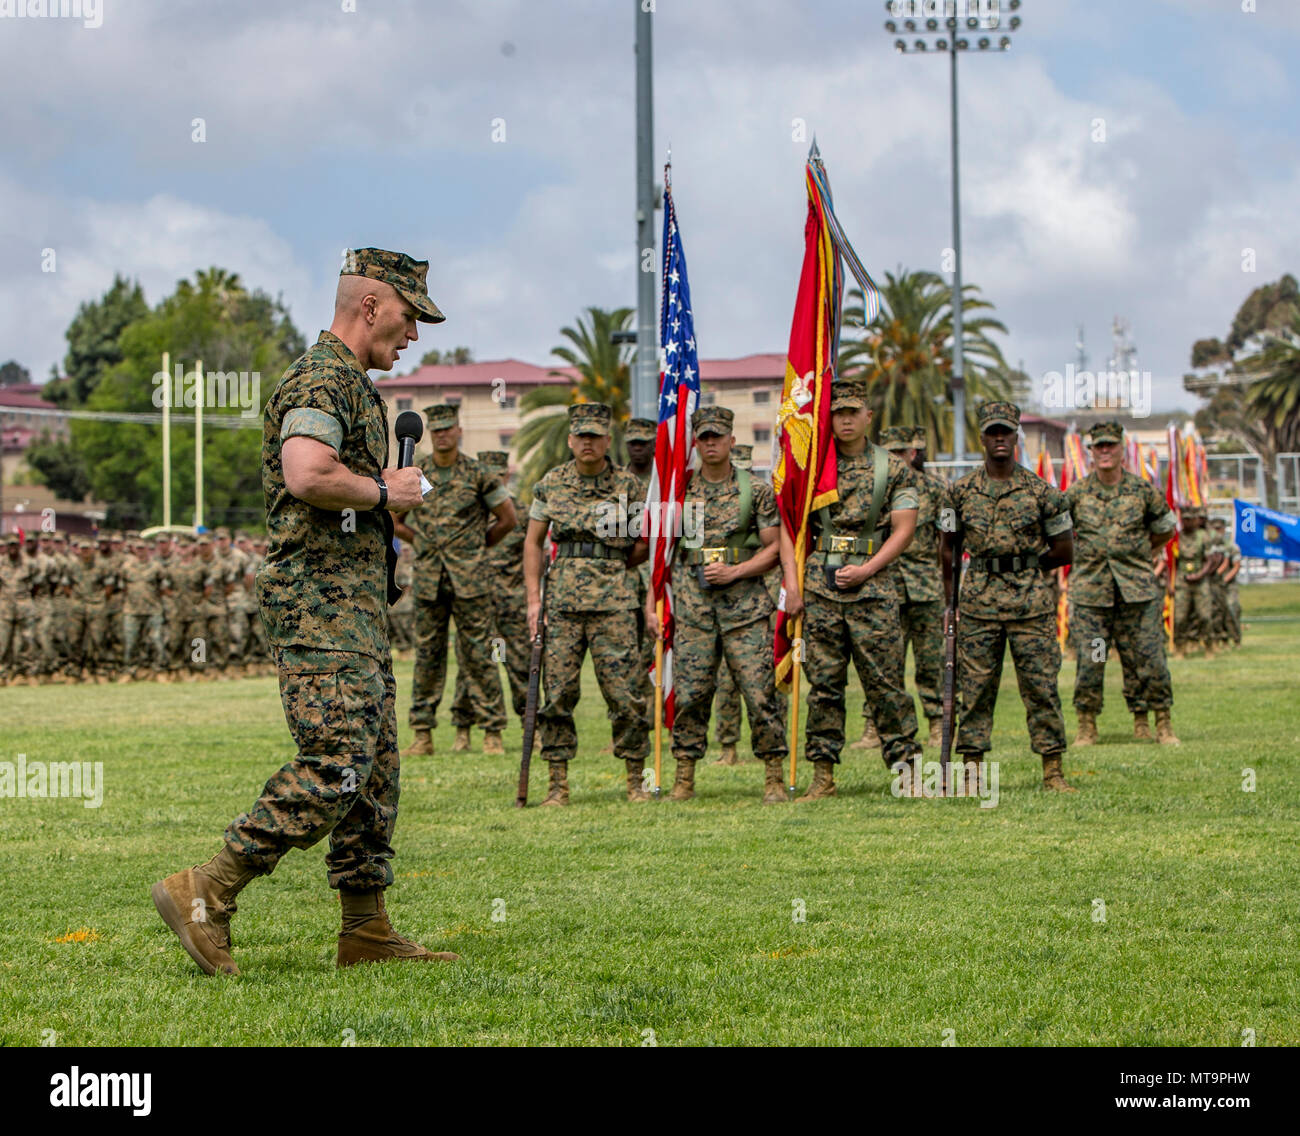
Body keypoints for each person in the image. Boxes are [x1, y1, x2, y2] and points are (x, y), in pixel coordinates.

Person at [152, 246, 459, 974]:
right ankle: (207, 889)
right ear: (372, 304)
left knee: (375, 769)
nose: (412, 335)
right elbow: (308, 473)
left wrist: (385, 507)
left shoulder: (350, 382)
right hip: (319, 607)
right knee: (337, 763)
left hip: (352, 608)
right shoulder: (322, 379)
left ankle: (366, 928)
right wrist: (385, 492)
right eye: (410, 317)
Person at [779, 380, 922, 800]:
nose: (845, 419)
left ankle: (907, 774)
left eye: (853, 412)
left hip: (873, 590)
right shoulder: (811, 469)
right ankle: (822, 775)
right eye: (838, 412)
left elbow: (904, 529)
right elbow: (790, 525)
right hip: (821, 592)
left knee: (887, 685)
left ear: (868, 417)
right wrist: (793, 584)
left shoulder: (892, 468)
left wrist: (868, 569)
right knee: (824, 686)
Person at [645, 407, 788, 804]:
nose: (711, 443)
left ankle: (774, 776)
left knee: (760, 693)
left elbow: (774, 547)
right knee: (691, 694)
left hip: (746, 610)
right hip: (693, 610)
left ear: (731, 442)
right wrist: (650, 604)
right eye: (704, 437)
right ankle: (684, 778)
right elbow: (661, 556)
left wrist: (737, 571)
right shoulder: (679, 491)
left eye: (718, 437)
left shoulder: (754, 491)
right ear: (694, 441)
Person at [941, 402, 1075, 791]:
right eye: (992, 432)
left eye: (1006, 432)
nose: (1000, 438)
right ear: (982, 438)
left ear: (1016, 437)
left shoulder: (1042, 492)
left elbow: (1065, 550)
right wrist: (951, 605)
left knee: (1041, 686)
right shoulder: (959, 492)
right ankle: (971, 771)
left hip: (1029, 604)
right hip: (978, 603)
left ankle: (1052, 770)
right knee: (976, 688)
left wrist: (1024, 566)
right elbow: (947, 550)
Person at [525, 402, 651, 805]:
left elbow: (645, 543)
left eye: (595, 436)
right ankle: (557, 786)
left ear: (607, 440)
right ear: (570, 440)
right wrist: (533, 601)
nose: (588, 443)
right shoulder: (551, 483)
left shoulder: (629, 486)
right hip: (561, 605)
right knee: (558, 695)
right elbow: (532, 542)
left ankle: (636, 780)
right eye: (581, 436)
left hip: (615, 604)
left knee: (625, 694)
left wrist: (612, 565)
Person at [393, 403, 515, 757]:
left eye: (449, 429)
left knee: (480, 655)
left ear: (459, 431)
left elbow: (506, 519)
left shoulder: (478, 474)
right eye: (437, 430)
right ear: (431, 434)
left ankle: (492, 731)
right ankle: (422, 733)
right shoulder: (418, 473)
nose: (443, 435)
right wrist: (423, 543)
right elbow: (397, 519)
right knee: (428, 657)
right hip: (430, 578)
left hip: (471, 580)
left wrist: (477, 546)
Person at [1065, 421, 1179, 745]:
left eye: (1110, 445)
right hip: (1092, 596)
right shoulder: (1076, 493)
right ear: (1090, 451)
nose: (1104, 451)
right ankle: (1087, 725)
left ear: (1121, 449)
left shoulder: (1142, 491)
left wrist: (1143, 551)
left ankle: (1160, 722)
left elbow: (1166, 528)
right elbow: (1058, 531)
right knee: (1092, 659)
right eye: (1098, 446)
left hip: (1137, 593)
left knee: (1148, 657)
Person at [1172, 506, 1219, 658]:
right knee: (1180, 618)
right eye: (1184, 519)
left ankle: (1209, 646)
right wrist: (1169, 584)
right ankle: (1180, 647)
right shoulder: (1176, 537)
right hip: (1182, 581)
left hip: (1200, 581)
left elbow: (1210, 560)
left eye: (1190, 519)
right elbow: (1172, 562)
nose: (1187, 522)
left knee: (1204, 616)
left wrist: (1200, 575)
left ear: (1196, 520)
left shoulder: (1203, 536)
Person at [1206, 516, 1241, 648]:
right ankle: (1221, 639)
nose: (1217, 532)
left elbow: (1236, 566)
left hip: (1228, 584)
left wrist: (1224, 579)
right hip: (1213, 583)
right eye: (1214, 529)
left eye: (1219, 529)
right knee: (1216, 612)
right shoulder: (1210, 545)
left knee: (1231, 609)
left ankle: (1236, 639)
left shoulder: (1231, 546)